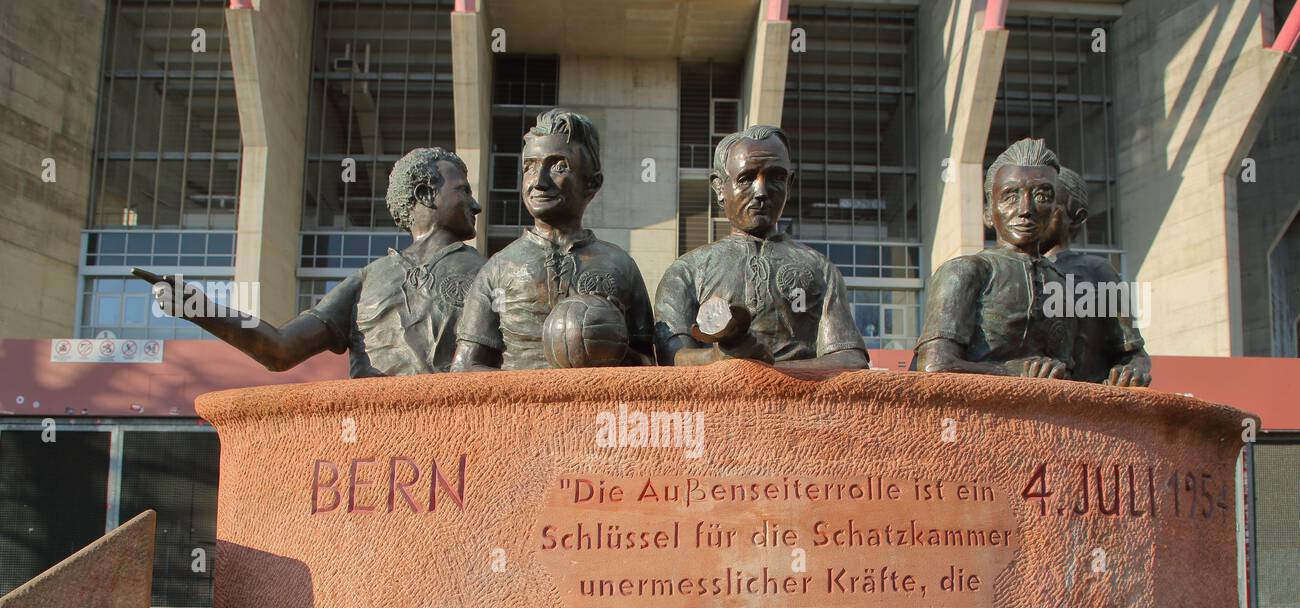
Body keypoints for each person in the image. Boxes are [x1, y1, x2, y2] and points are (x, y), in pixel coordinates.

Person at [140, 147, 484, 377]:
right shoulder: (368, 280)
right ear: (426, 194)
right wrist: (199, 307)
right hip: (377, 449)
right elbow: (280, 349)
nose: (476, 205)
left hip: (460, 448)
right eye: (463, 191)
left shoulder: (493, 273)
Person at [451, 109, 655, 371]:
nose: (539, 182)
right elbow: (466, 367)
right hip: (523, 409)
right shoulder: (499, 268)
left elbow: (650, 365)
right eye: (530, 166)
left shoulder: (621, 266)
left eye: (559, 166)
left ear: (592, 184)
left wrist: (613, 350)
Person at [654, 125, 869, 370]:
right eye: (746, 178)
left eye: (776, 177)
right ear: (719, 187)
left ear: (790, 183)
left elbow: (850, 359)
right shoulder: (687, 271)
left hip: (797, 404)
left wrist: (768, 372)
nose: (761, 192)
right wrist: (718, 360)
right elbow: (670, 357)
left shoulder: (820, 269)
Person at [913, 138, 1075, 379]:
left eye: (1042, 196)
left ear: (1055, 209)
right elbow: (934, 365)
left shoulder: (1064, 282)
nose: (1025, 209)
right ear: (988, 213)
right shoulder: (965, 271)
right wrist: (1010, 371)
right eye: (1010, 196)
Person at [1046, 166, 1151, 386]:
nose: (1033, 210)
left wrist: (1132, 370)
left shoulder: (1097, 272)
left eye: (1048, 201)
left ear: (1076, 216)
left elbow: (1133, 352)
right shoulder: (1005, 269)